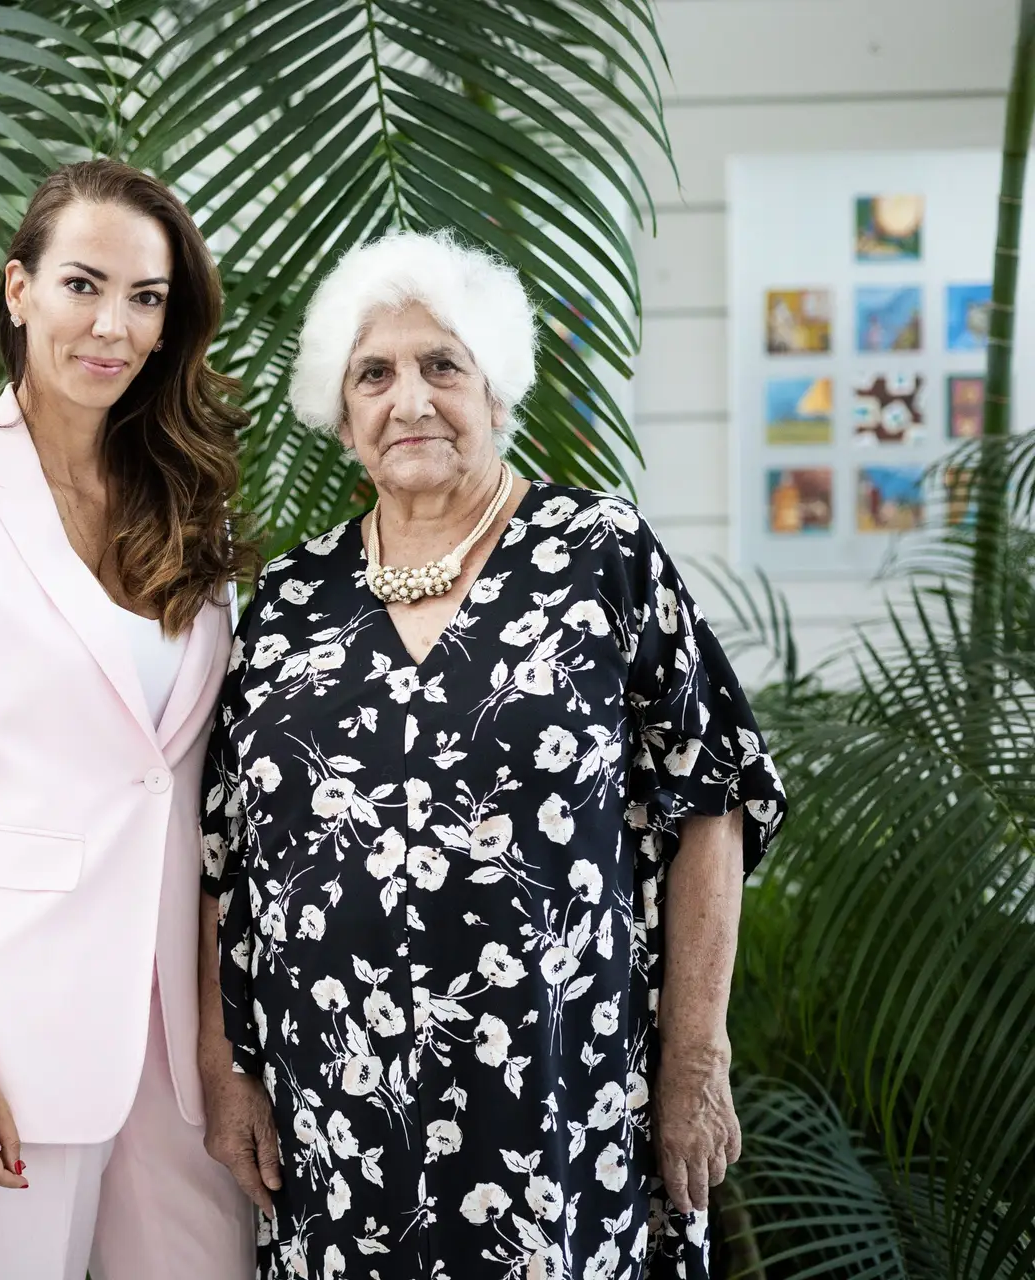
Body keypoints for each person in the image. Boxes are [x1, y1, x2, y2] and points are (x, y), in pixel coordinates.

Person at [197, 230, 787, 1280]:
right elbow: (224, 854)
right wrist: (229, 1066)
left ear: (498, 390)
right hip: (335, 1116)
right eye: (373, 373)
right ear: (341, 416)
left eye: (442, 365)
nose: (409, 399)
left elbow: (714, 795)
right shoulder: (288, 598)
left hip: (565, 1098)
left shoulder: (597, 550)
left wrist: (696, 1057)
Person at [0, 159, 258, 1280]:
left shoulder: (184, 494)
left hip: (182, 1032)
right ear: (18, 290)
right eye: (84, 284)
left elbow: (189, 776)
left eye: (147, 298)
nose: (115, 325)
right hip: (17, 1022)